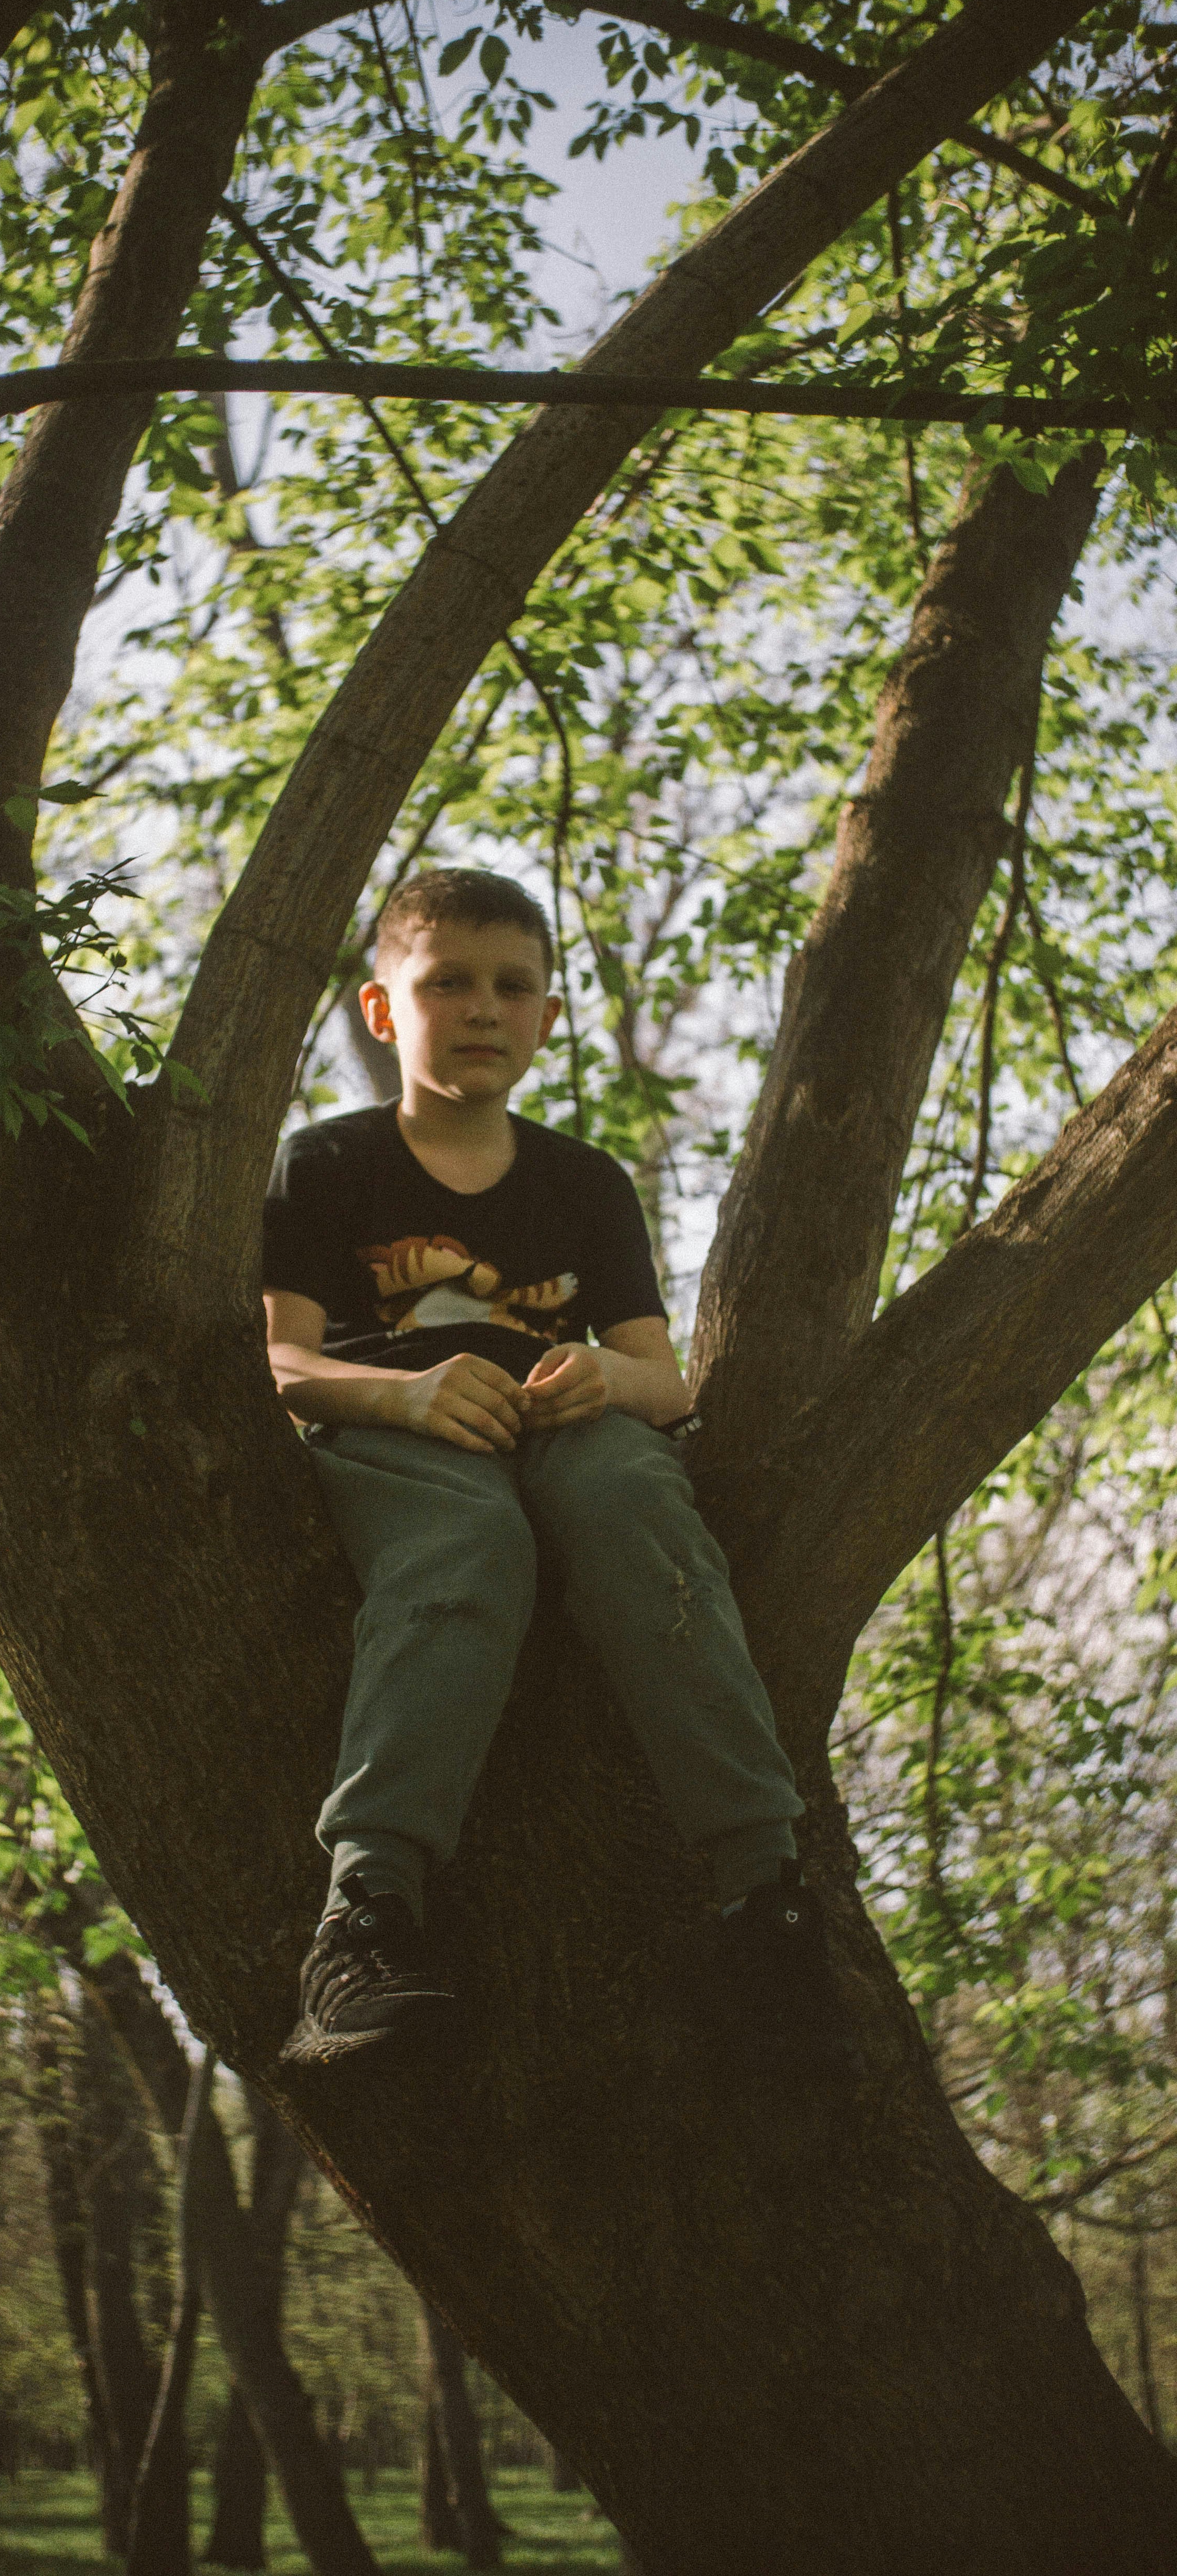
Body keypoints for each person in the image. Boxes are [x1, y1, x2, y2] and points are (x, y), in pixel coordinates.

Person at [263, 868, 854, 2080]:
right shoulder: (319, 1166)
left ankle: (765, 1895)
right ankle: (362, 1917)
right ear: (385, 1010)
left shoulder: (582, 1183)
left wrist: (597, 1379)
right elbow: (281, 1358)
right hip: (400, 1430)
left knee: (636, 1504)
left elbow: (663, 1380)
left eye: (511, 986)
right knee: (467, 1553)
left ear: (547, 1015)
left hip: (565, 1424)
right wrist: (406, 1394)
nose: (482, 1007)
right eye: (447, 984)